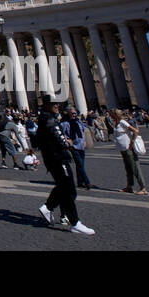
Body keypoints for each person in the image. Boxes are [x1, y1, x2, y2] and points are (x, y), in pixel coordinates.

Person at [35, 101, 94, 235]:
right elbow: (59, 138)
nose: (57, 106)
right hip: (58, 157)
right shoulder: (49, 120)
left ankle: (48, 207)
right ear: (47, 106)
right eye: (54, 104)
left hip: (55, 158)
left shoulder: (46, 119)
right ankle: (75, 222)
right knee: (68, 188)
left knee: (65, 186)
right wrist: (67, 143)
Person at [112, 110, 148, 194]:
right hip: (123, 149)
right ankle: (129, 186)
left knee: (135, 168)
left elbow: (136, 131)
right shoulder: (116, 123)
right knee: (128, 169)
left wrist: (131, 142)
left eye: (112, 114)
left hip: (128, 149)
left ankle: (143, 188)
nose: (110, 115)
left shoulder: (122, 122)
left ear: (116, 115)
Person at [62, 109, 91, 189]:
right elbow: (62, 133)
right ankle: (87, 182)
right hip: (73, 146)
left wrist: (84, 141)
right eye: (72, 113)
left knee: (81, 164)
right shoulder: (65, 123)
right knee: (79, 164)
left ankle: (80, 182)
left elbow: (83, 131)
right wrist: (67, 140)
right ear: (69, 114)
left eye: (75, 113)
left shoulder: (78, 121)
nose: (74, 115)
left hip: (81, 144)